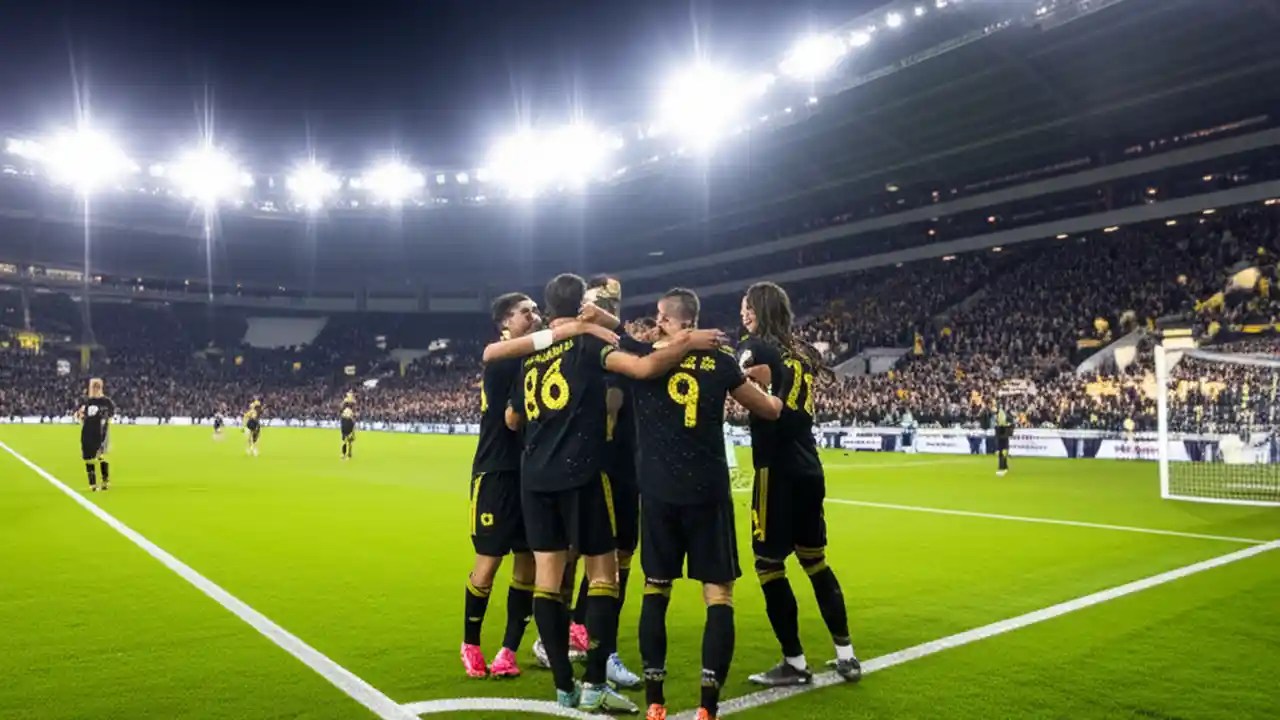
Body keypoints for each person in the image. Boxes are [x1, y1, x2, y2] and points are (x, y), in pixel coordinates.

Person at [484, 272, 724, 713]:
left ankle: (564, 687)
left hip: (534, 479)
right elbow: (644, 367)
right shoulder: (587, 344)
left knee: (548, 581)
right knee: (603, 576)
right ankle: (595, 680)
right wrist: (687, 342)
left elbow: (512, 419)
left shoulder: (531, 355)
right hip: (581, 473)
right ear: (582, 306)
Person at [633, 288, 782, 720]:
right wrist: (777, 393)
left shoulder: (645, 359)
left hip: (658, 492)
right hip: (707, 492)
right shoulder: (720, 360)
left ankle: (655, 701)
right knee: (718, 595)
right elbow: (767, 409)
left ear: (677, 321)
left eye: (661, 316)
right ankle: (707, 708)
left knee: (655, 589)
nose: (657, 322)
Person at [738, 281, 861, 687]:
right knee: (815, 561)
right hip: (809, 466)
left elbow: (750, 392)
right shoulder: (802, 352)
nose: (743, 313)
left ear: (762, 309)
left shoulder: (755, 348)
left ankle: (794, 662)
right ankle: (846, 655)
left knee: (768, 565)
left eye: (748, 307)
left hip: (775, 469)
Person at [460, 292, 550, 679]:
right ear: (505, 323)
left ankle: (508, 651)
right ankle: (470, 644)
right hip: (496, 472)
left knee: (527, 564)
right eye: (525, 312)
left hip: (529, 473)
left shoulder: (528, 358)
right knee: (489, 563)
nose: (534, 316)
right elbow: (512, 420)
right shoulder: (503, 359)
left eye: (536, 310)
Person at [75, 378, 115, 492]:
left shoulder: (107, 402)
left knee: (102, 456)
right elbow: (78, 416)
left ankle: (105, 481)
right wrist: (80, 415)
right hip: (88, 432)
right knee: (89, 457)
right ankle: (92, 483)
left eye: (97, 387)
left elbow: (111, 416)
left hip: (102, 432)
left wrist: (103, 424)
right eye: (93, 387)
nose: (95, 389)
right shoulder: (86, 402)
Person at [993, 403, 1013, 476]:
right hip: (1003, 435)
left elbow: (1000, 425)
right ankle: (1004, 466)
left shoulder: (1002, 415)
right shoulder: (1003, 415)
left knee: (1001, 451)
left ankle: (1002, 467)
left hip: (1002, 435)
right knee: (1003, 451)